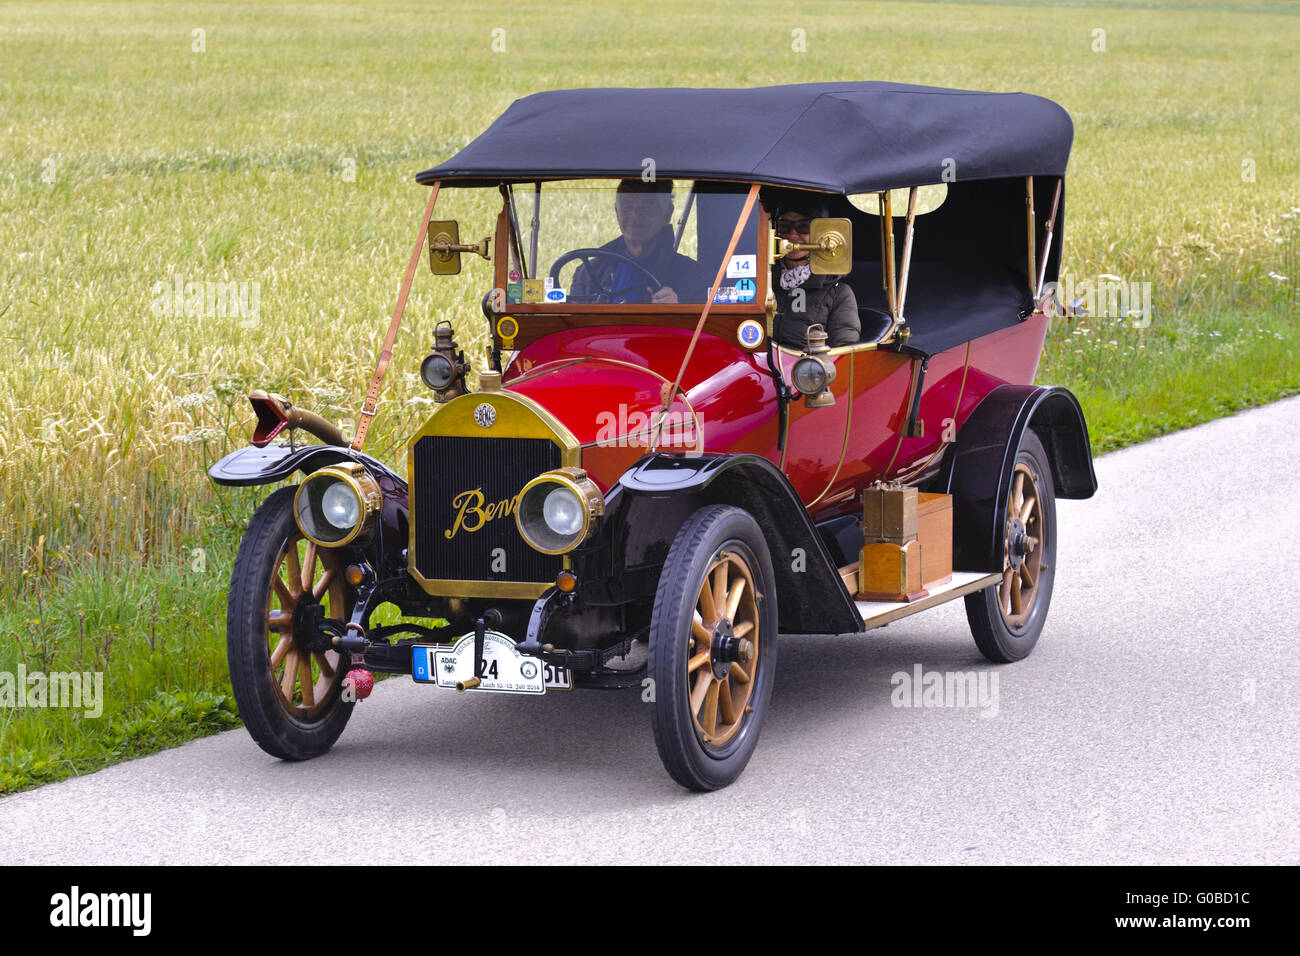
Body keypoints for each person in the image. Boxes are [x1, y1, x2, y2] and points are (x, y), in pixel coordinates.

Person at [570, 180, 702, 303]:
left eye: (646, 207)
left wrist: (679, 312)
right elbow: (571, 322)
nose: (635, 214)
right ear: (617, 212)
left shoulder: (694, 279)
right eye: (627, 206)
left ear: (667, 214)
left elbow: (702, 325)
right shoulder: (588, 273)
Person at [769, 194, 861, 349]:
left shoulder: (839, 294)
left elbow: (844, 353)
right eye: (785, 226)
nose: (792, 235)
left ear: (822, 234)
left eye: (804, 227)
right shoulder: (760, 282)